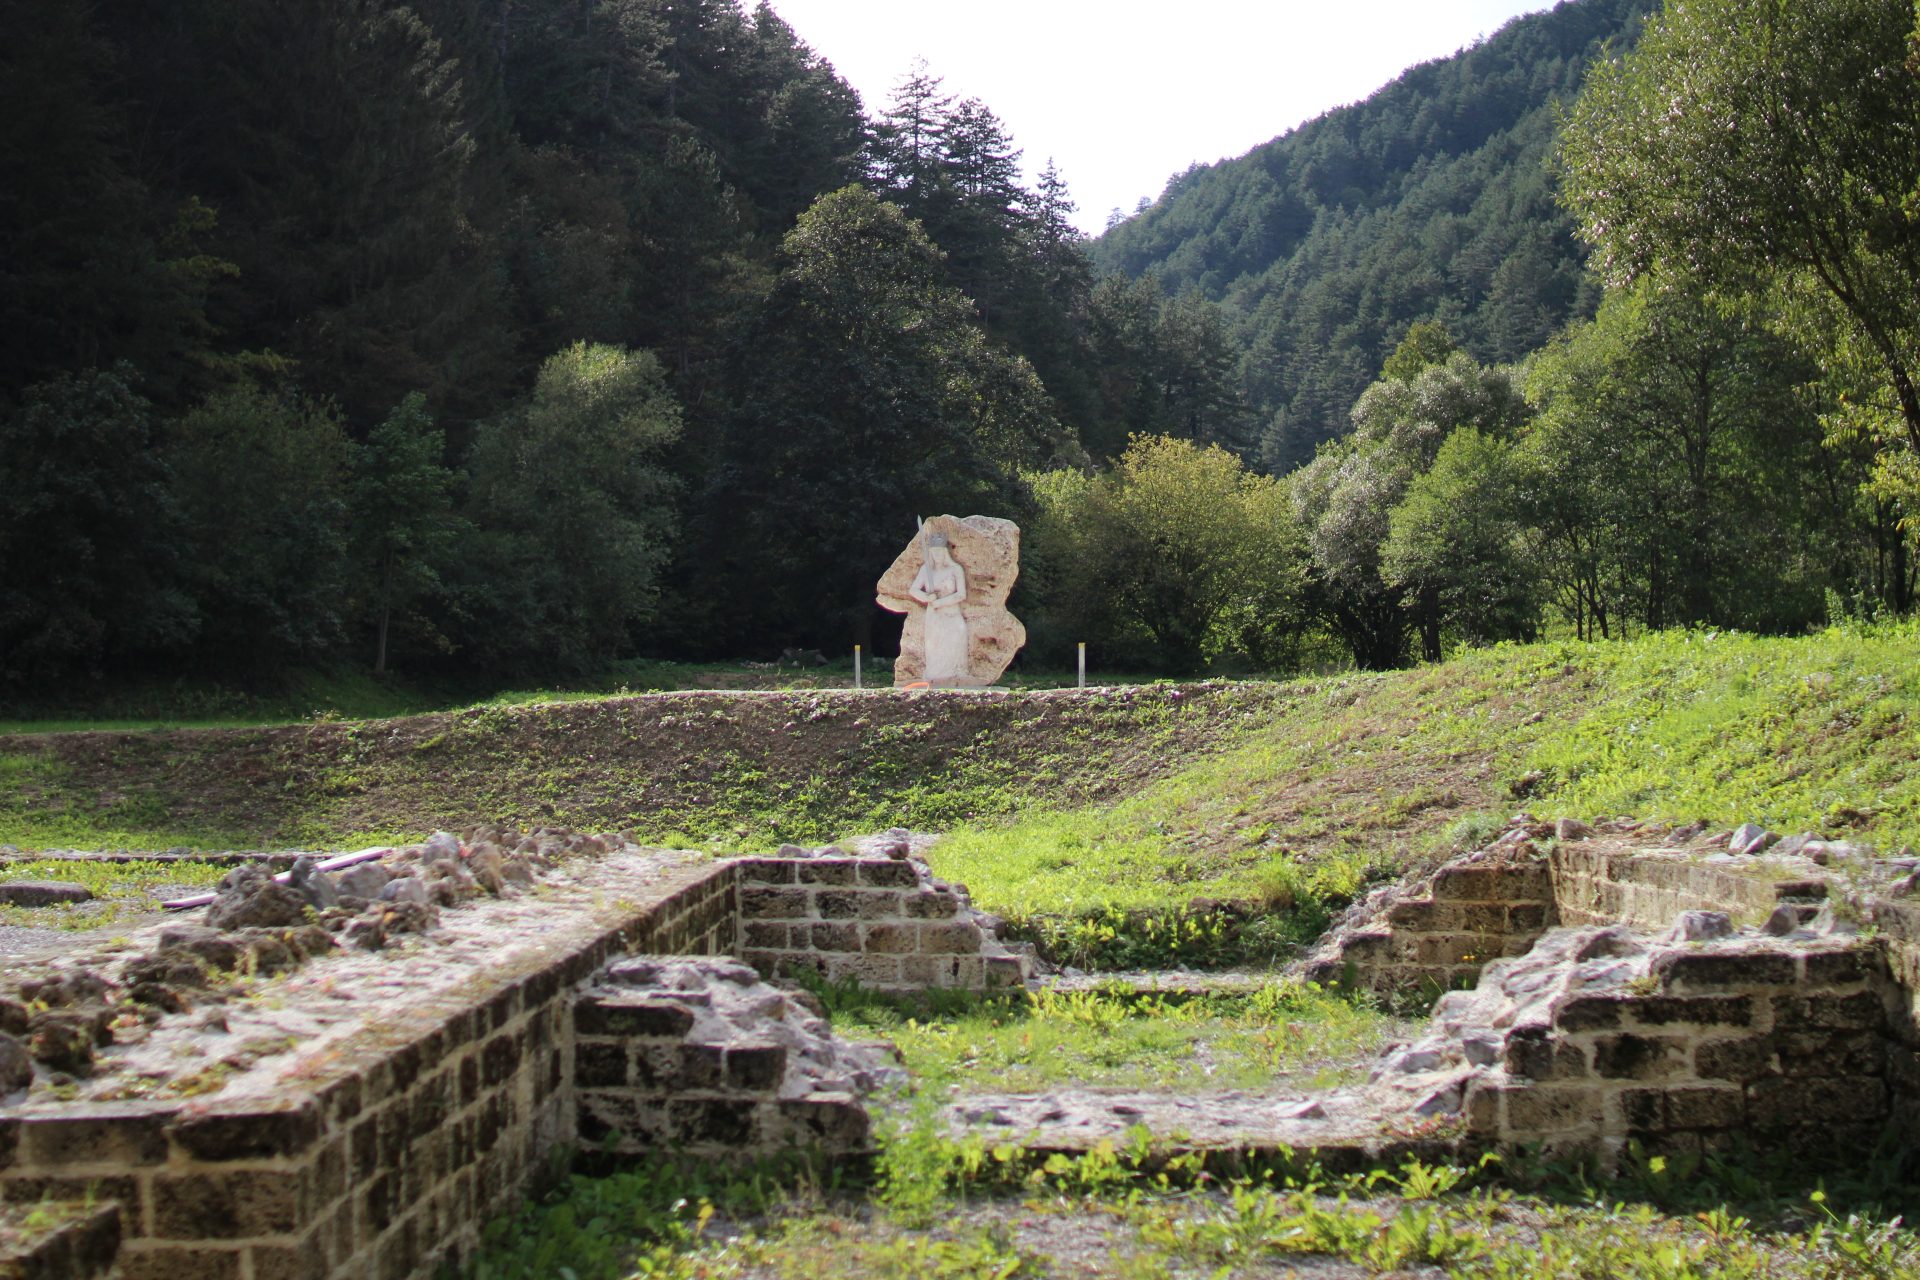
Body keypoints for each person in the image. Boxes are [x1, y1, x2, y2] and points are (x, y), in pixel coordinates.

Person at [908, 532, 969, 685]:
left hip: (952, 614)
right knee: (935, 649)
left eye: (940, 552)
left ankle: (955, 677)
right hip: (934, 617)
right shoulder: (926, 569)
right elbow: (913, 589)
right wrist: (927, 598)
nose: (937, 556)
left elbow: (961, 594)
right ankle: (935, 678)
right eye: (934, 553)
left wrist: (940, 602)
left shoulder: (955, 569)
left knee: (955, 644)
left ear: (945, 553)